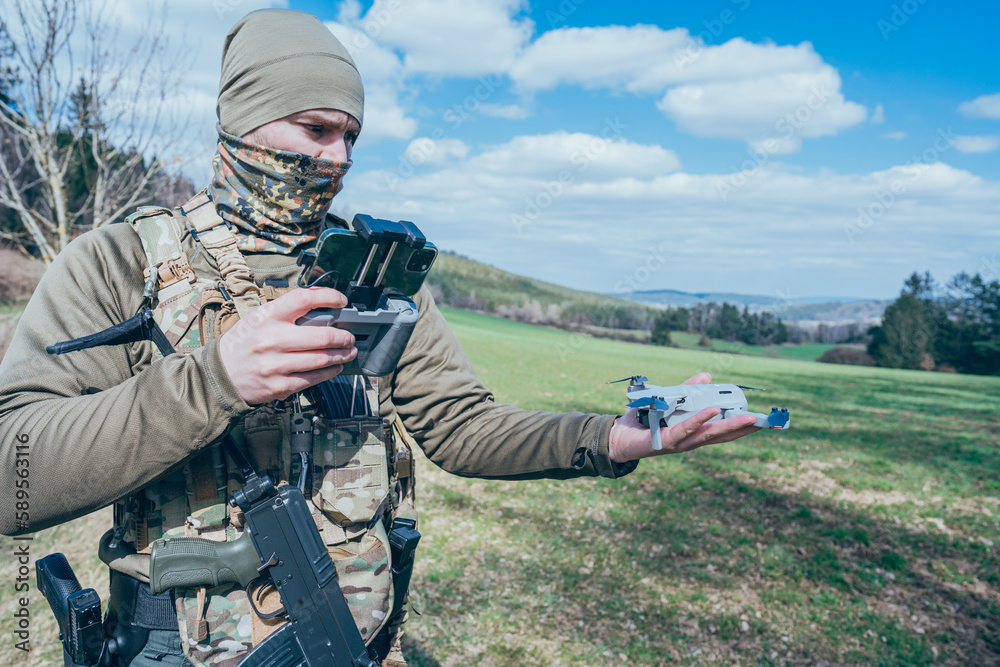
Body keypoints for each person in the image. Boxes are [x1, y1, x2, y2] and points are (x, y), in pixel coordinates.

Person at [0, 9, 759, 667]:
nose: (337, 157)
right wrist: (215, 379)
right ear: (239, 119)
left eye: (351, 136)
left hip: (355, 639)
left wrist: (615, 437)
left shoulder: (371, 272)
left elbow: (463, 426)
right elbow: (15, 472)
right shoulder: (117, 262)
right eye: (315, 128)